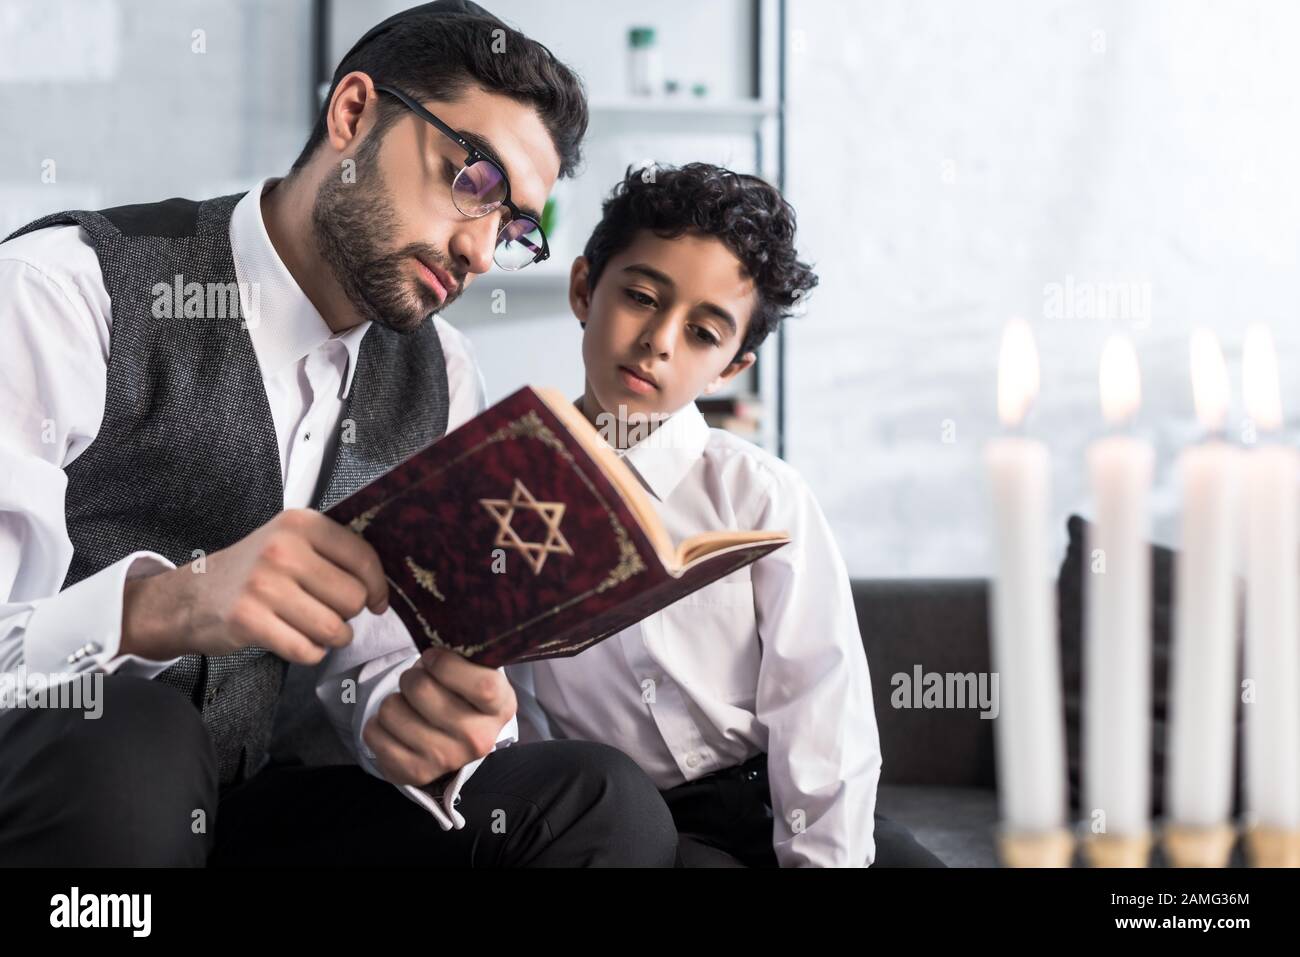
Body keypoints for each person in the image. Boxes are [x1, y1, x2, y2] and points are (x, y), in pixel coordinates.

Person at [0, 0, 677, 867]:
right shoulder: (67, 290)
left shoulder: (445, 375)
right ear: (353, 113)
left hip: (270, 810)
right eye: (472, 180)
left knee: (603, 803)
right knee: (136, 743)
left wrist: (407, 714)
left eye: (513, 229)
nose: (480, 252)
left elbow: (379, 661)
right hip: (75, 793)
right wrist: (163, 607)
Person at [507, 162, 945, 867]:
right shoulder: (510, 493)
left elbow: (819, 699)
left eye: (704, 333)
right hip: (631, 822)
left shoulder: (761, 495)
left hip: (771, 795)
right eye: (641, 297)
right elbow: (516, 709)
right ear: (584, 288)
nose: (659, 340)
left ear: (731, 367)